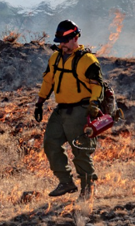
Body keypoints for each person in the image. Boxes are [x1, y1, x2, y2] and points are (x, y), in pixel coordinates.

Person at [34, 20, 107, 199]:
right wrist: (40, 102)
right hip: (61, 110)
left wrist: (94, 104)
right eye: (60, 41)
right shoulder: (55, 58)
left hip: (81, 110)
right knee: (51, 143)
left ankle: (87, 188)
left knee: (80, 150)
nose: (62, 45)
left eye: (65, 41)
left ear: (75, 38)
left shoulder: (87, 60)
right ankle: (65, 182)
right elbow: (48, 81)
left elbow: (98, 85)